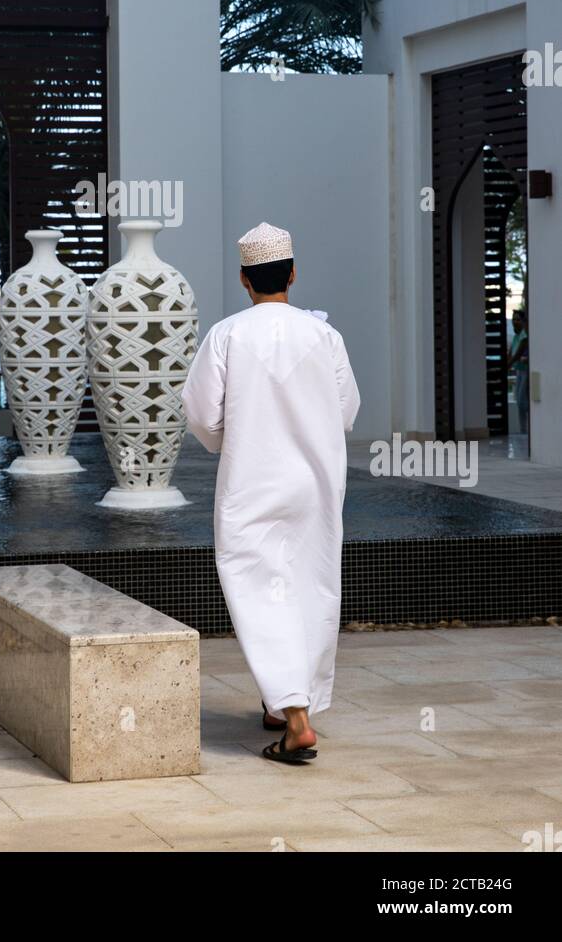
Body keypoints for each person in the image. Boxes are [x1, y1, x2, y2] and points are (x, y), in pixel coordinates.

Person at [181, 222, 360, 765]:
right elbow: (347, 410)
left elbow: (200, 414)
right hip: (316, 484)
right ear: (293, 274)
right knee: (311, 583)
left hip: (252, 480)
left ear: (244, 279)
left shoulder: (227, 334)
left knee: (260, 589)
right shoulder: (323, 335)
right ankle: (282, 703)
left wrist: (227, 441)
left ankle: (296, 718)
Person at [508, 308, 529, 435]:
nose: (515, 322)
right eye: (513, 319)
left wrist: (508, 365)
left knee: (522, 401)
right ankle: (523, 431)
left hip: (525, 371)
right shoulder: (516, 336)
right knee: (520, 402)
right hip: (519, 371)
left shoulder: (524, 337)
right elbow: (511, 354)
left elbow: (516, 355)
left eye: (518, 319)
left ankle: (528, 429)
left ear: (523, 321)